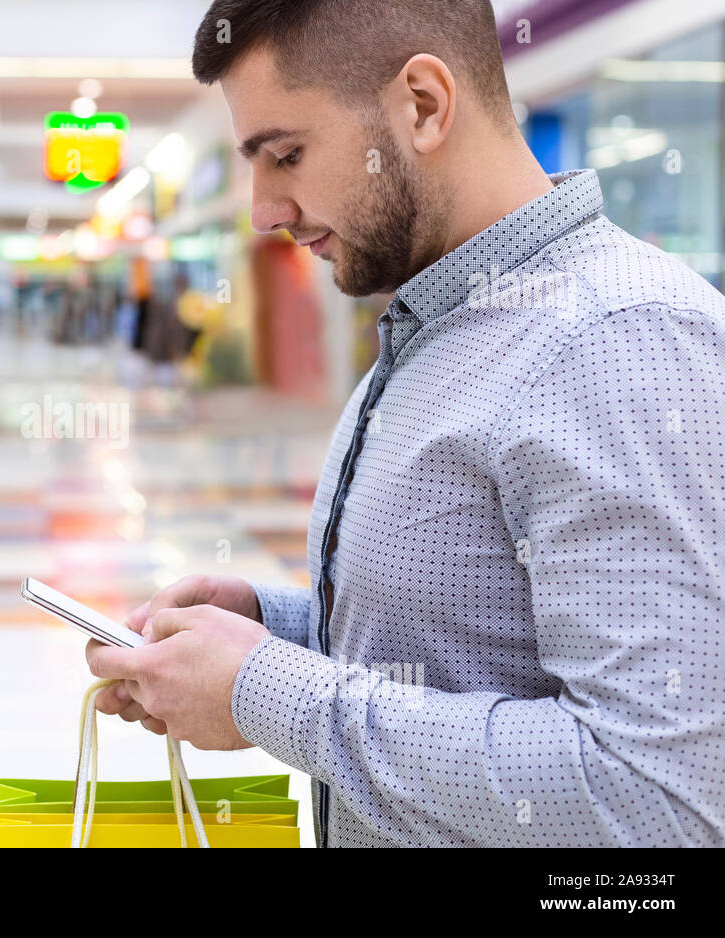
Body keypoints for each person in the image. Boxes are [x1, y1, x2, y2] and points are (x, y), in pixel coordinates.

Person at [86, 0, 725, 847]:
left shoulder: (612, 338)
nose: (263, 211)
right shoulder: (436, 323)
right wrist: (272, 628)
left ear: (422, 105)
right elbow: (475, 642)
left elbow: (657, 798)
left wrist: (267, 692)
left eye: (286, 155)